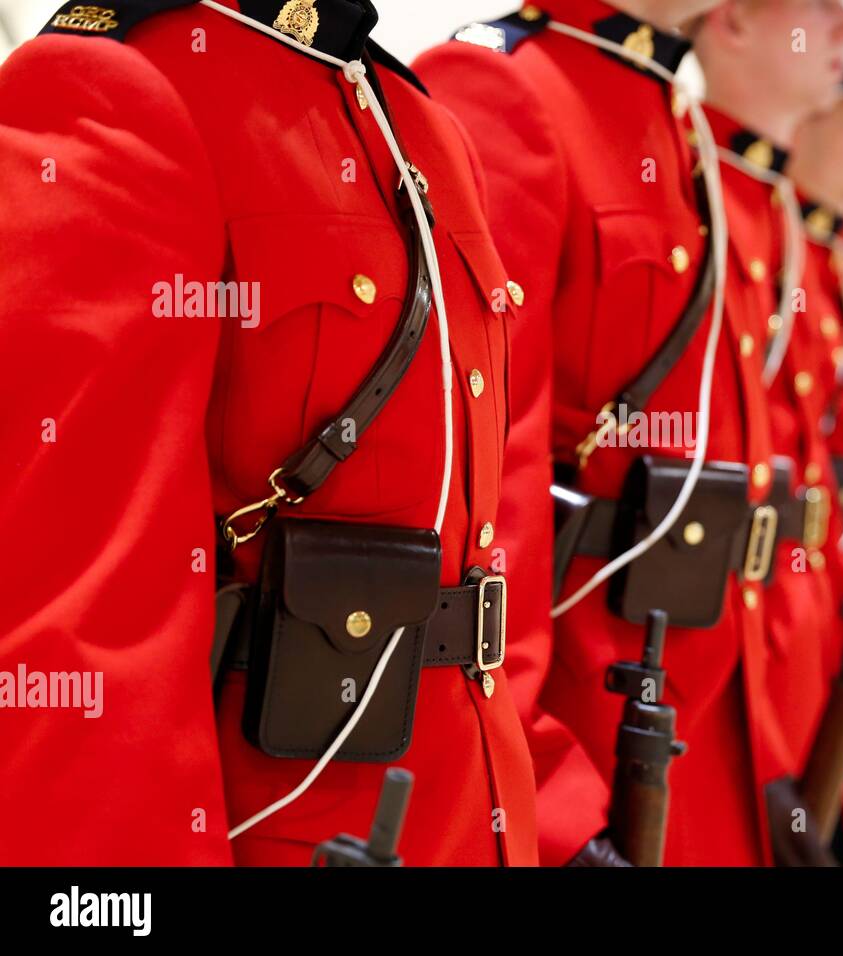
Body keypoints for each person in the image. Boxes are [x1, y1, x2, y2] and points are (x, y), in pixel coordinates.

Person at [0, 0, 537, 866]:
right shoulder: (119, 85)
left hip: (467, 816)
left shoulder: (419, 123)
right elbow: (78, 615)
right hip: (278, 831)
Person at [420, 0, 842, 866]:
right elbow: (487, 471)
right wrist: (542, 780)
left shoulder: (670, 111)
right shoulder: (506, 85)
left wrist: (765, 730)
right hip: (589, 703)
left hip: (700, 695)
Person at [691, 0, 843, 793]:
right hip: (679, 659)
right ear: (732, 22)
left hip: (784, 626)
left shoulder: (771, 207)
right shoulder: (698, 182)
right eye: (824, 8)